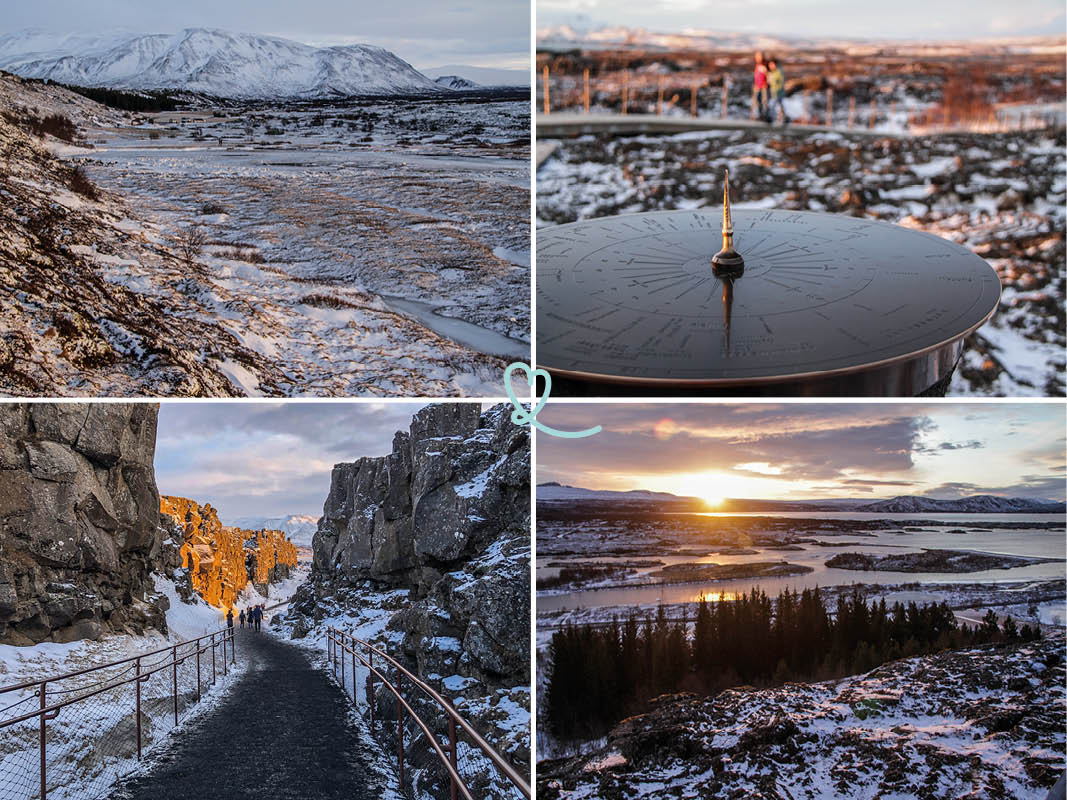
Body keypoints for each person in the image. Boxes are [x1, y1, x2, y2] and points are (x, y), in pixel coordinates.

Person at [767, 58, 788, 125]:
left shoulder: (779, 72)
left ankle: (771, 118)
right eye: (770, 65)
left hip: (778, 92)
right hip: (773, 91)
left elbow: (781, 82)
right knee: (780, 105)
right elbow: (770, 82)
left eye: (772, 64)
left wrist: (778, 90)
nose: (771, 66)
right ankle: (784, 118)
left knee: (773, 105)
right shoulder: (771, 72)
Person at [753, 51, 768, 121]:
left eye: (759, 56)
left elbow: (767, 75)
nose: (757, 58)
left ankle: (765, 116)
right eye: (756, 56)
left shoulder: (764, 65)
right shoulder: (757, 65)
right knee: (758, 101)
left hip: (764, 87)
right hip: (758, 86)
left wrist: (766, 84)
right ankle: (760, 115)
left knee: (764, 101)